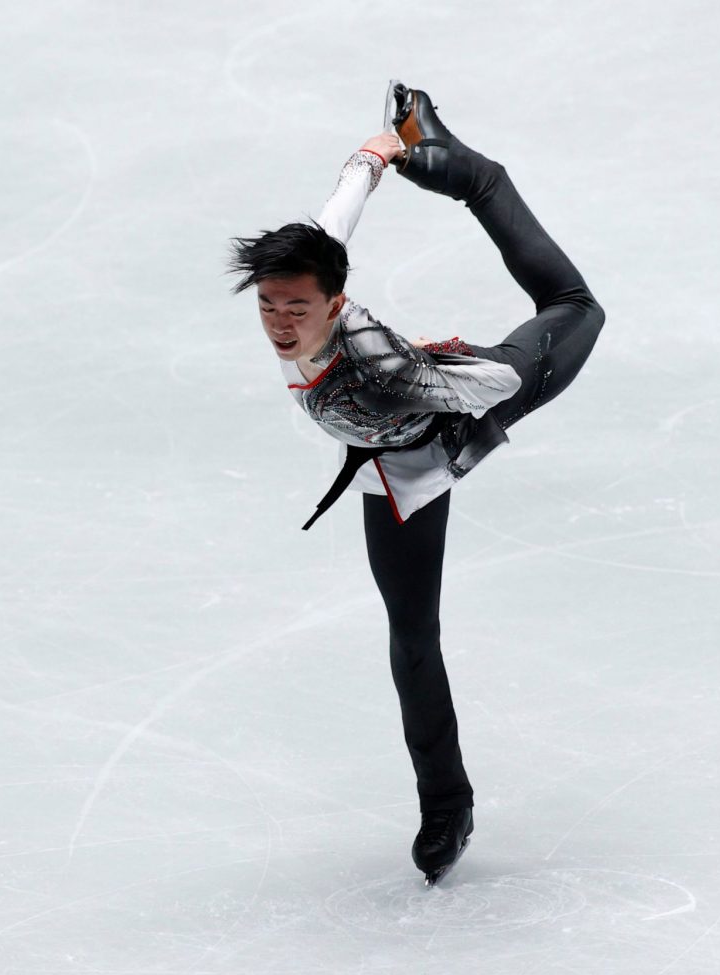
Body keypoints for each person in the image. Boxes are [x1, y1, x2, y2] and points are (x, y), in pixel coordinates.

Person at [227, 82, 605, 885]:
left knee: (574, 307)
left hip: (468, 396)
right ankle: (447, 804)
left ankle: (477, 177)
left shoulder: (378, 363)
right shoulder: (307, 274)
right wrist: (378, 153)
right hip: (396, 470)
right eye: (267, 306)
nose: (279, 323)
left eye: (295, 308)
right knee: (412, 637)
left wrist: (450, 360)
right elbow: (343, 200)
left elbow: (490, 393)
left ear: (334, 301)